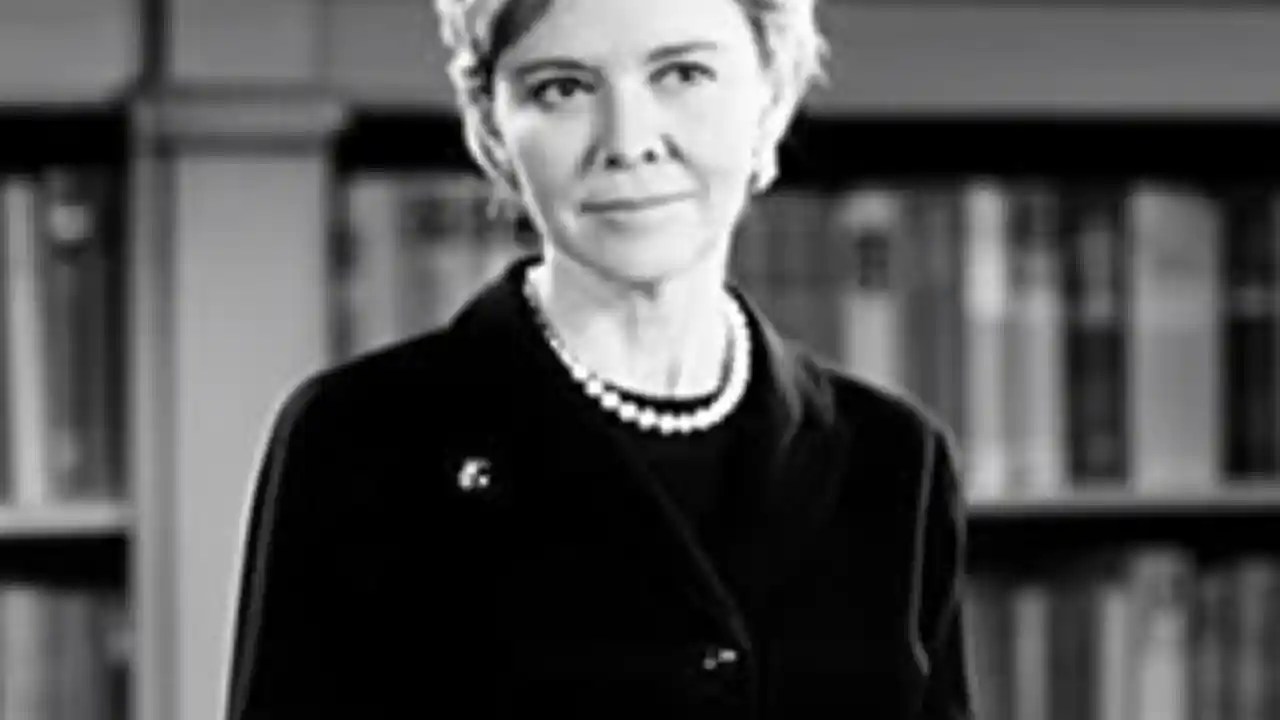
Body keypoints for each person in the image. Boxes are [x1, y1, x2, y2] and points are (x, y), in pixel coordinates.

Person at [223, 0, 974, 717]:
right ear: (491, 128)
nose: (627, 141)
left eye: (682, 74)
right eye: (563, 88)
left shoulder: (895, 461)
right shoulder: (360, 442)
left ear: (772, 98)